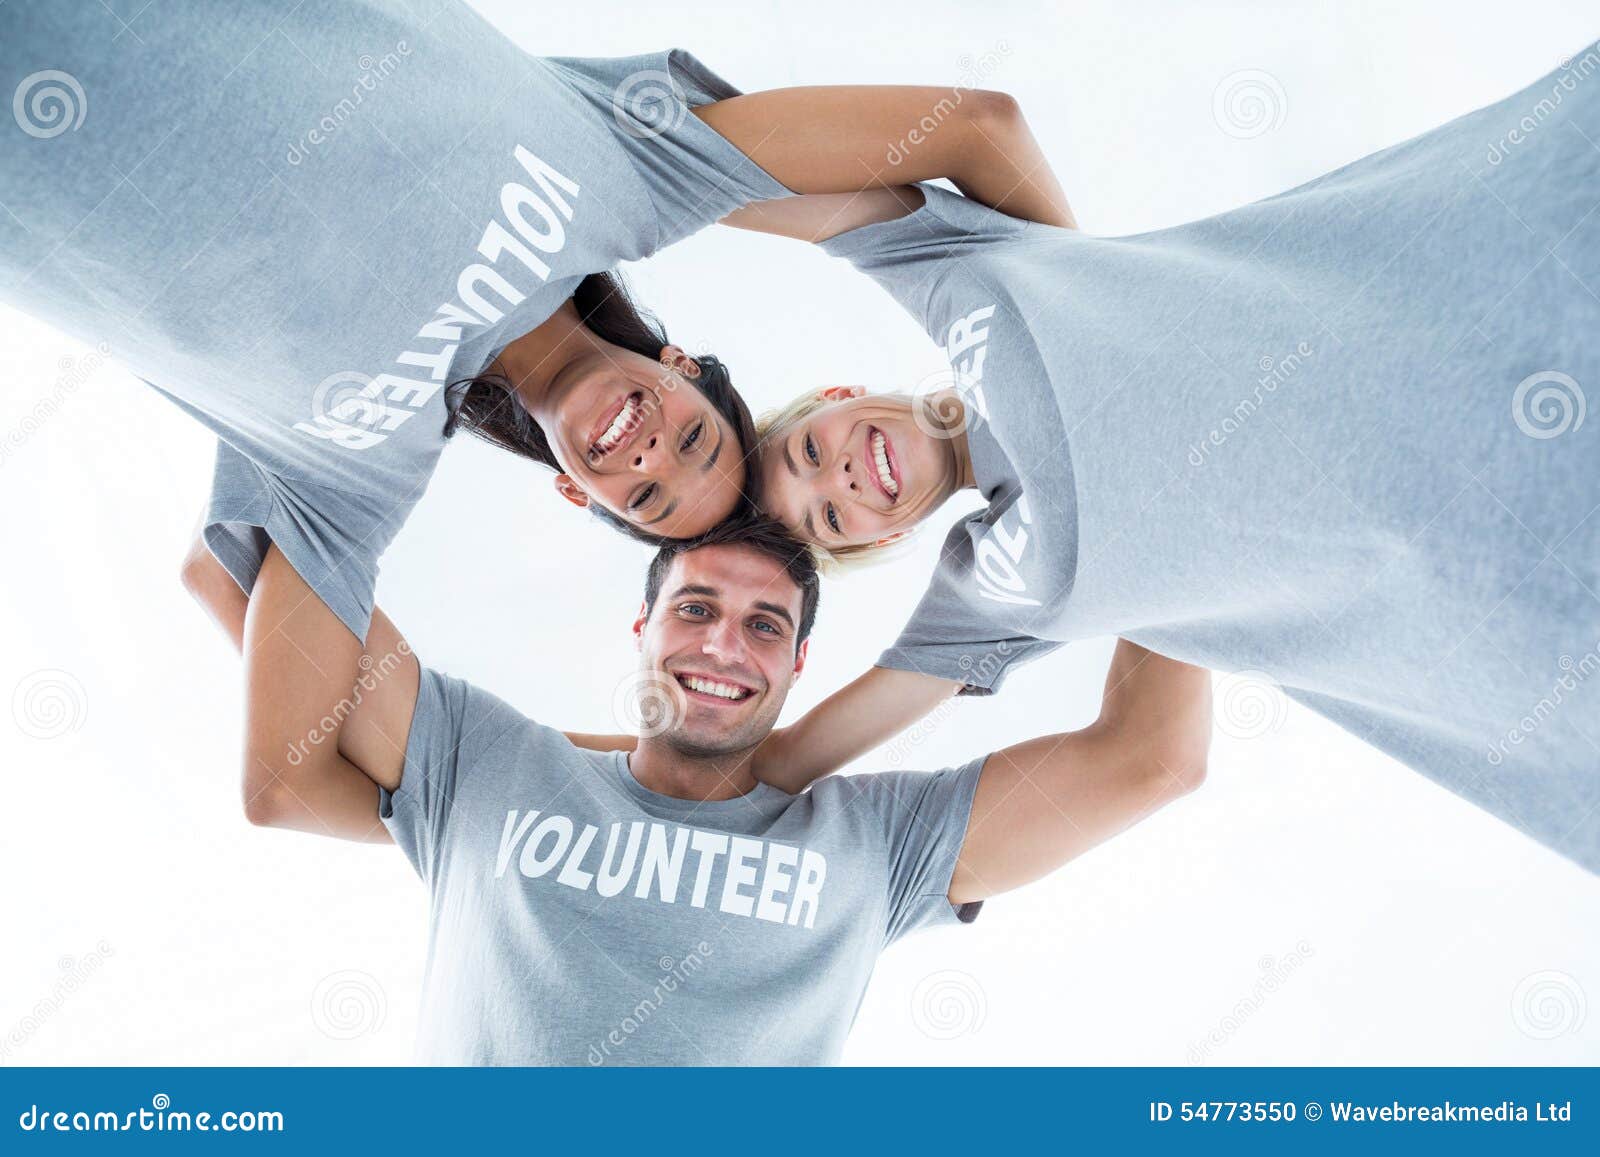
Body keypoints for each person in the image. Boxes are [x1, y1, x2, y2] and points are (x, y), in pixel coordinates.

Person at [1, 0, 1068, 819]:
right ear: (685, 362)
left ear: (574, 490)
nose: (649, 447)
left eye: (647, 493)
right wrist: (1076, 357)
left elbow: (282, 781)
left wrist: (605, 766)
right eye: (694, 435)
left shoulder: (358, 469)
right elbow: (974, 129)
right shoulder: (629, 171)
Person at [734, 41, 1600, 874]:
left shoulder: (953, 266)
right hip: (1495, 575)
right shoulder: (978, 599)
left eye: (810, 451)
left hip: (1468, 307)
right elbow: (781, 762)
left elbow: (717, 175)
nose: (837, 480)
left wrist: (599, 279)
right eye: (830, 521)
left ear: (838, 397)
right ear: (877, 540)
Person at [179, 519, 1211, 1064]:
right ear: (642, 627)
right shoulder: (483, 758)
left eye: (765, 625)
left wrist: (1144, 504)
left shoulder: (877, 842)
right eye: (697, 607)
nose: (724, 641)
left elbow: (1152, 757)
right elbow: (246, 560)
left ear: (801, 663)